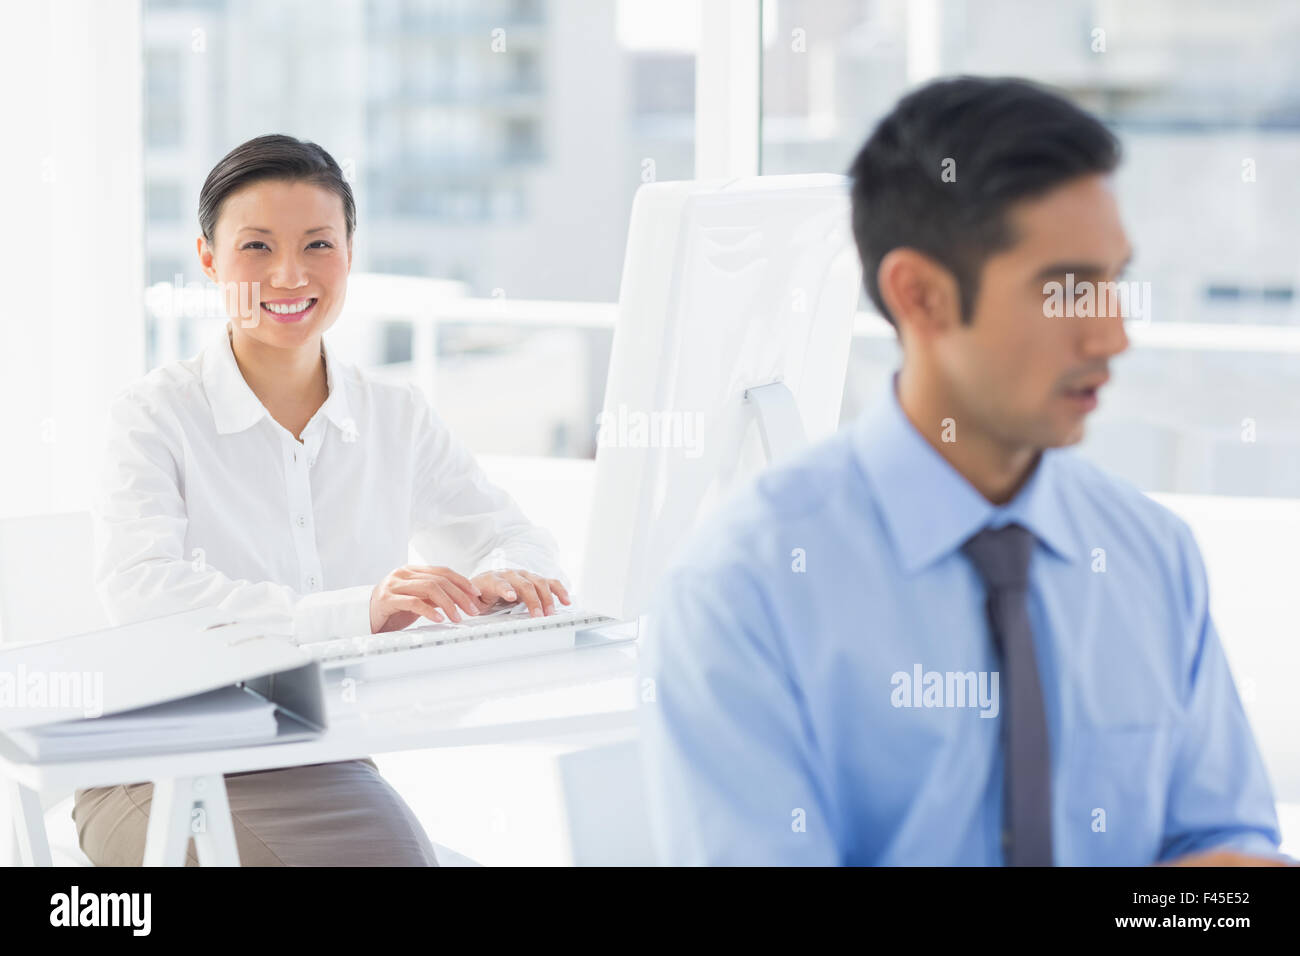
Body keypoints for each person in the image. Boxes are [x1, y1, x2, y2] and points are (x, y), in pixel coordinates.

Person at [639, 76, 1290, 866]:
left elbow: (1221, 841)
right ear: (921, 297)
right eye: (1067, 291)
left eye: (1114, 284)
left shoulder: (1150, 553)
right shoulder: (745, 591)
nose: (1112, 336)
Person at [75, 134, 571, 866]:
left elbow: (514, 536)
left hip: (325, 759)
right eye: (255, 247)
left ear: (349, 252)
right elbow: (146, 595)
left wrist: (503, 574)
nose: (288, 274)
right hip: (153, 763)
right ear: (208, 259)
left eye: (317, 244)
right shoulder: (152, 416)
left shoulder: (393, 416)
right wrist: (357, 610)